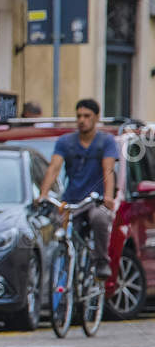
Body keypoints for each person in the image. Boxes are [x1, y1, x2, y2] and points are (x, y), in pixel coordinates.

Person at [36, 98, 118, 278]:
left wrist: (109, 197)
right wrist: (43, 195)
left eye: (87, 116)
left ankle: (101, 262)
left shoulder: (106, 141)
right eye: (79, 116)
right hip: (72, 200)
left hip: (95, 201)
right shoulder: (66, 142)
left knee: (100, 219)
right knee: (63, 232)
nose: (82, 120)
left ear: (96, 117)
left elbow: (108, 170)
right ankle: (65, 278)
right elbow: (54, 168)